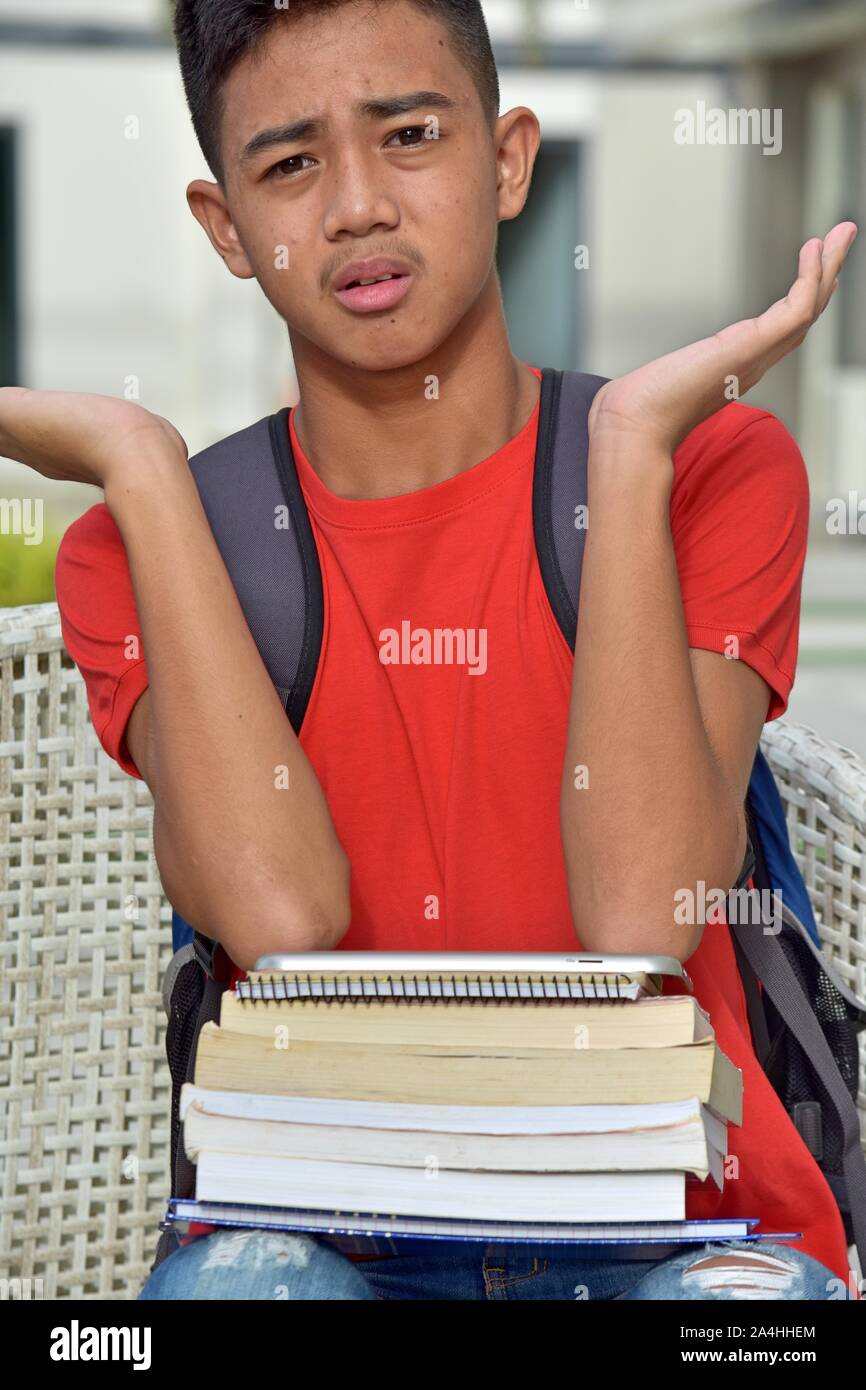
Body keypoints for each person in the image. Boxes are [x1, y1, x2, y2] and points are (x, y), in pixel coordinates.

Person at [0, 0, 858, 1301]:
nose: (354, 206)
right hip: (322, 1234)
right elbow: (282, 919)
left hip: (688, 1233)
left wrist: (625, 454)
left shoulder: (707, 468)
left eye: (406, 135)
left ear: (507, 158)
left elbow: (642, 917)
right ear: (225, 226)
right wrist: (143, 466)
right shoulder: (142, 551)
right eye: (288, 164)